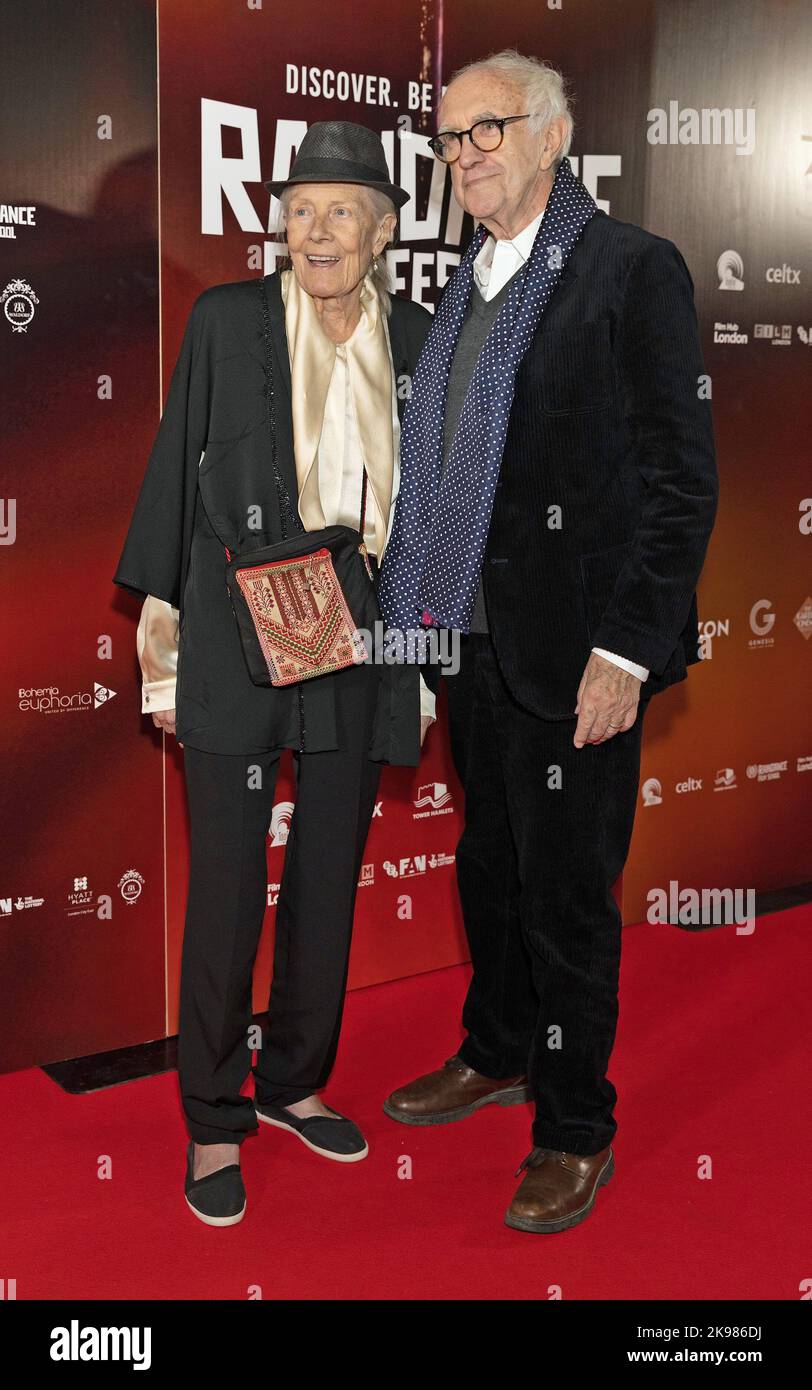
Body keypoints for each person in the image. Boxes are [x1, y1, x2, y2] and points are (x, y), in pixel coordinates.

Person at [378, 51, 718, 1234]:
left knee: (567, 896)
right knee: (489, 867)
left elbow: (681, 481)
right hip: (466, 638)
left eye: (487, 128)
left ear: (553, 134)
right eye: (449, 138)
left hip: (577, 656)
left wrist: (626, 651)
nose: (466, 152)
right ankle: (500, 1047)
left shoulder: (630, 270)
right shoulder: (465, 286)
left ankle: (573, 1127)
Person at [113, 122, 435, 1226]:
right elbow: (172, 485)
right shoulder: (228, 321)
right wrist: (165, 665)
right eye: (299, 210)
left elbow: (432, 525)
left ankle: (292, 1077)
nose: (316, 231)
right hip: (240, 631)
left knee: (326, 877)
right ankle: (211, 1117)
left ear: (384, 229)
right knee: (227, 889)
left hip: (362, 634)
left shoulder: (423, 340)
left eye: (340, 210)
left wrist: (418, 660)